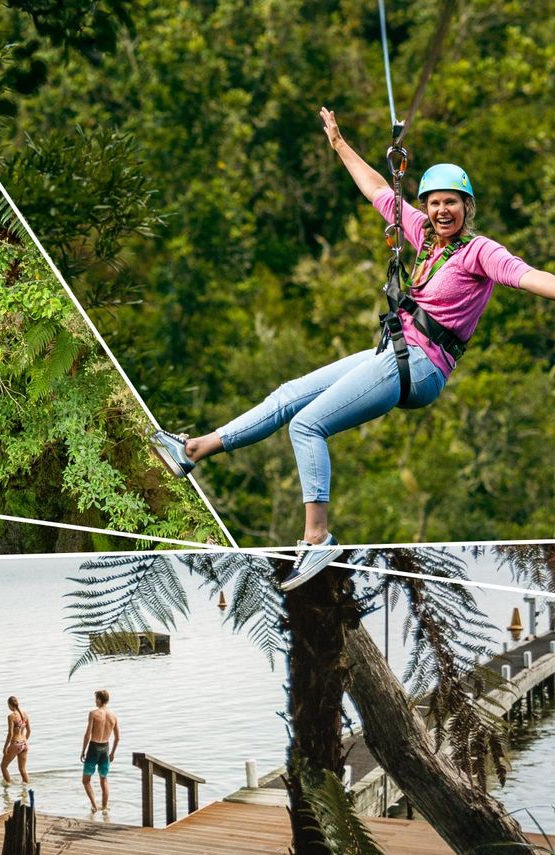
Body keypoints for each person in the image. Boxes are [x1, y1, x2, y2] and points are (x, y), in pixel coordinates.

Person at [151, 106, 555, 592]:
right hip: (394, 352)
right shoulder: (422, 237)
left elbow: (529, 277)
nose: (442, 211)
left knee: (307, 426)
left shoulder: (479, 252)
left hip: (421, 367)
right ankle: (192, 450)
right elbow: (379, 191)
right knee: (289, 395)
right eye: (434, 203)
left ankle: (317, 538)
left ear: (468, 208)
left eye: (452, 203)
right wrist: (340, 144)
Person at [81, 689, 120, 812]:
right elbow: (118, 738)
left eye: (96, 698)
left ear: (99, 699)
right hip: (105, 748)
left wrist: (83, 751)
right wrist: (112, 753)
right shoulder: (113, 716)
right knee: (104, 779)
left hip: (94, 747)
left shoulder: (93, 713)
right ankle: (104, 807)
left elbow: (88, 735)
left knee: (86, 780)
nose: (95, 701)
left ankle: (94, 806)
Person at [0, 695, 31, 785]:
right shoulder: (24, 714)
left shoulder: (11, 716)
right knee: (22, 769)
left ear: (10, 705)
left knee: (3, 766)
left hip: (15, 743)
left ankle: (7, 789)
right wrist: (24, 741)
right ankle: (26, 790)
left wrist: (5, 747)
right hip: (24, 745)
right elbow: (29, 731)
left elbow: (10, 734)